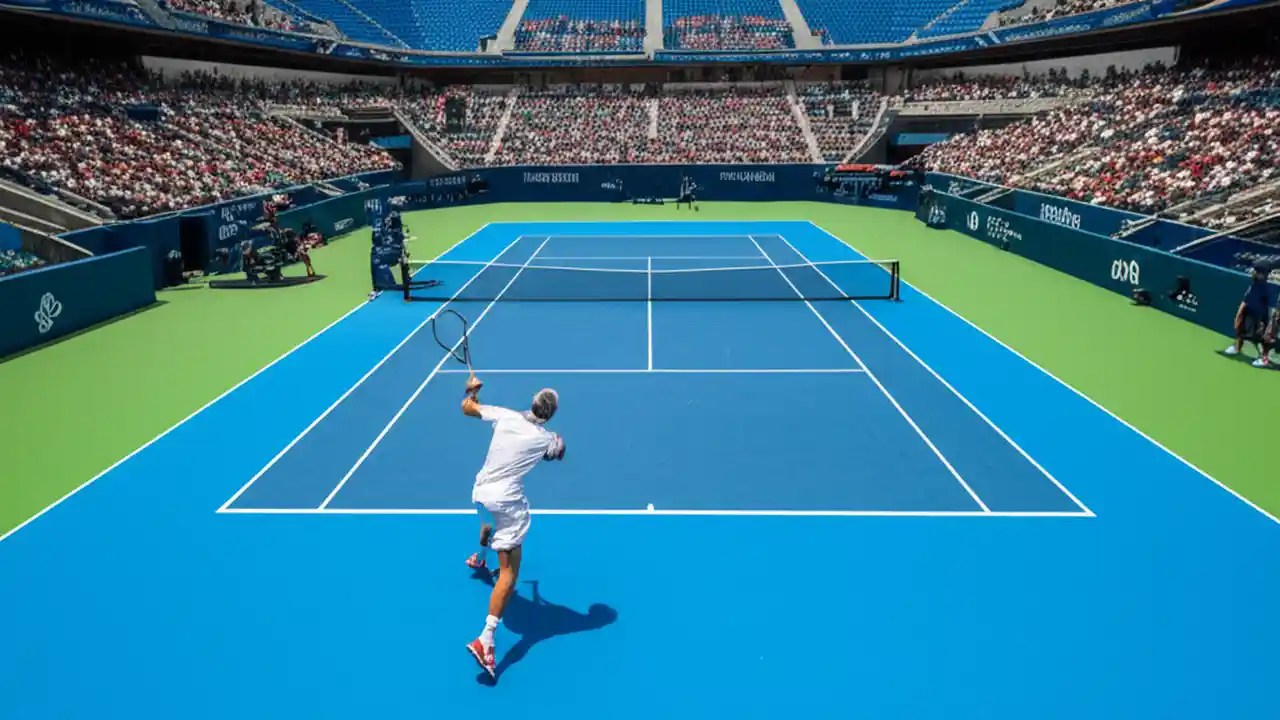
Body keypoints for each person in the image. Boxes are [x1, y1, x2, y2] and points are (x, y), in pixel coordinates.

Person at [461, 374, 566, 679]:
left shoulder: (504, 416)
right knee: (509, 573)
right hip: (507, 501)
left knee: (489, 521)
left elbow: (467, 407)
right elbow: (556, 453)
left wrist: (472, 391)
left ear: (532, 402)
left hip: (480, 491)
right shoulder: (547, 438)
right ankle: (486, 638)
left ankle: (480, 558)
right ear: (551, 413)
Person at [1225, 263, 1274, 367]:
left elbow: (1265, 306)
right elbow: (1247, 298)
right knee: (1240, 329)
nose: (1253, 273)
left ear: (1262, 274)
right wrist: (1241, 311)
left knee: (1260, 338)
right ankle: (1237, 348)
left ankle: (1264, 359)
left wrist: (1262, 321)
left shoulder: (1264, 288)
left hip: (1259, 316)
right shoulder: (1254, 284)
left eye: (1255, 272)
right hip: (1249, 312)